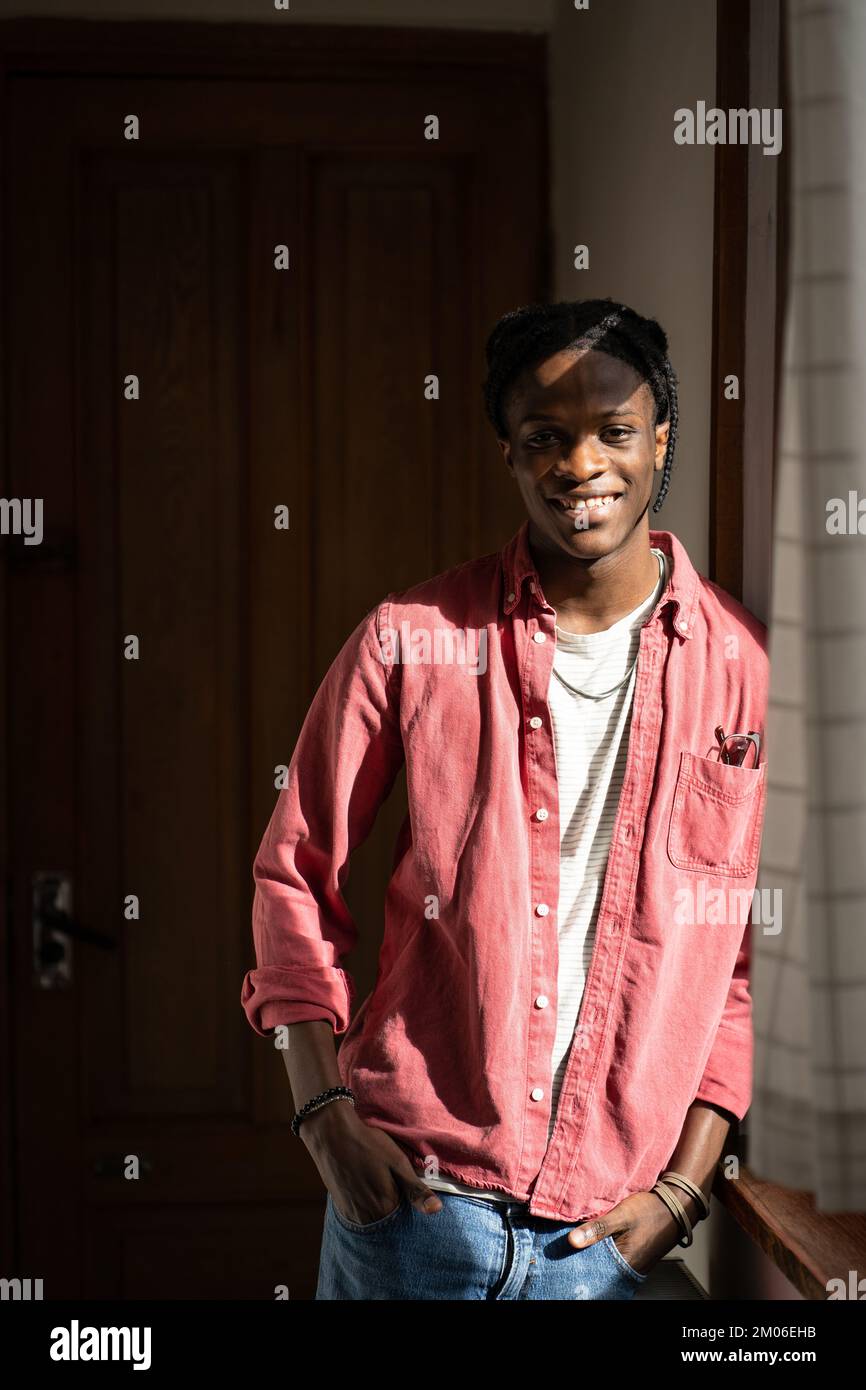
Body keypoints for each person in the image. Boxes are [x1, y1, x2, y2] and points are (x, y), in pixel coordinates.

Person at [241, 298, 769, 1300]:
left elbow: (736, 964)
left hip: (604, 1247)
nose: (579, 466)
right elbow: (293, 873)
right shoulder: (412, 636)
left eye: (612, 431)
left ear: (659, 439)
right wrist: (324, 1120)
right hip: (411, 1211)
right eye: (544, 438)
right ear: (509, 456)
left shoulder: (740, 673)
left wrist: (682, 1194)